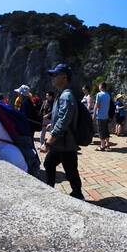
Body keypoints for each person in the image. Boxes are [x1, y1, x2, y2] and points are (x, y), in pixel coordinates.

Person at [42, 64, 84, 200]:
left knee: (70, 170)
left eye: (55, 75)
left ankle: (77, 194)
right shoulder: (62, 95)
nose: (52, 77)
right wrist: (51, 126)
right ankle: (53, 190)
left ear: (64, 77)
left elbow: (63, 122)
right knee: (50, 163)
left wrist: (48, 142)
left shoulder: (66, 96)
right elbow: (60, 119)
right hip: (61, 143)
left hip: (65, 143)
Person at [94, 82, 112, 151]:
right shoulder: (108, 95)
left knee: (101, 131)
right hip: (106, 116)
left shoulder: (99, 94)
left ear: (101, 87)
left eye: (99, 86)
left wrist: (94, 114)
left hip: (100, 116)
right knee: (106, 130)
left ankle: (102, 146)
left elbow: (97, 105)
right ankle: (107, 144)